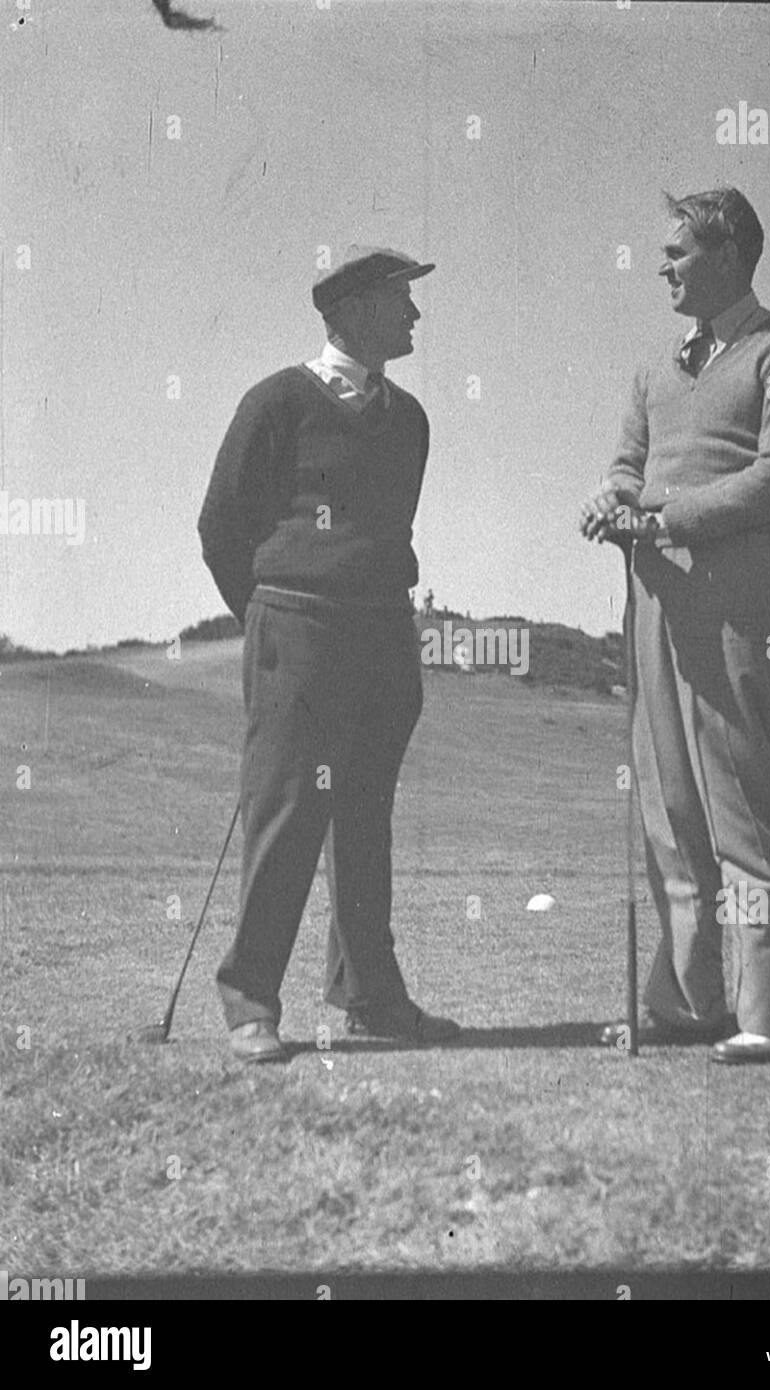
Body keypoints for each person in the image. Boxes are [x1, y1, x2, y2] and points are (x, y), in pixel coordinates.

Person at [581, 188, 770, 1064]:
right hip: (652, 594)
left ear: (728, 255)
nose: (663, 267)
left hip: (741, 597)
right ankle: (690, 1001)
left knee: (743, 799)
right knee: (668, 802)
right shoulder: (656, 365)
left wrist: (668, 515)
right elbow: (625, 464)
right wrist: (611, 500)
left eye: (678, 252)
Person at [198, 245, 460, 1062]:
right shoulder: (276, 400)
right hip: (296, 632)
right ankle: (250, 1004)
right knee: (284, 813)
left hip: (382, 633)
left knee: (365, 819)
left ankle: (370, 999)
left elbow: (394, 533)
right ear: (348, 311)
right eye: (398, 300)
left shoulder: (410, 419)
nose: (414, 316)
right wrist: (271, 617)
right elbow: (221, 526)